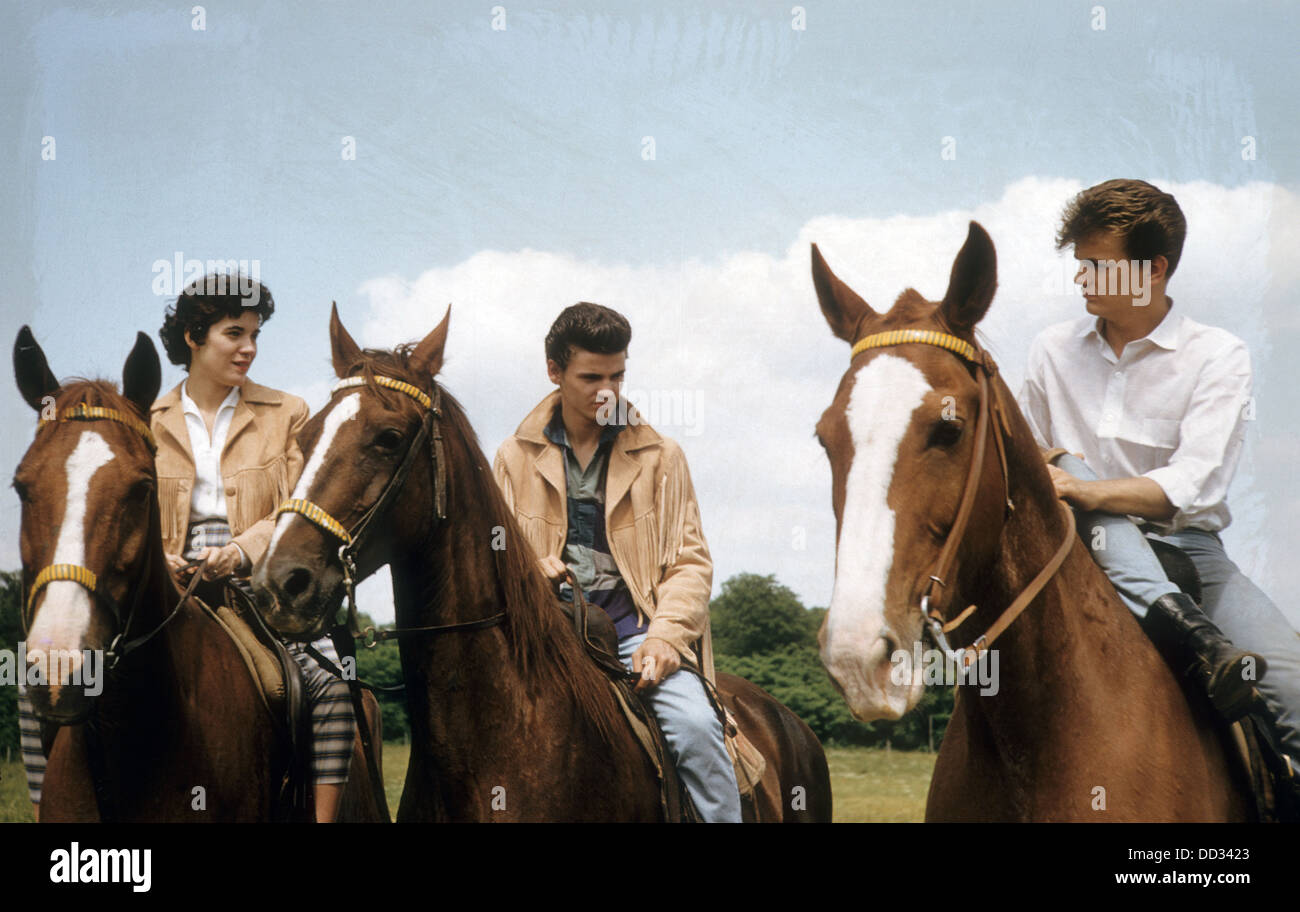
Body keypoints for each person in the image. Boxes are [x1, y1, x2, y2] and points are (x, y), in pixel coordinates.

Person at [19, 273, 355, 822]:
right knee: (36, 680)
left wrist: (240, 552)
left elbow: (296, 508)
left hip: (253, 586)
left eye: (255, 334)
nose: (249, 347)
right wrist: (163, 557)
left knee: (329, 684)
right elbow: (123, 509)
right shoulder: (139, 417)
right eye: (234, 333)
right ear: (194, 339)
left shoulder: (287, 412)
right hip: (162, 584)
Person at [1019, 178, 1300, 787]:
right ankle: (1198, 640)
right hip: (1075, 550)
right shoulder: (1049, 351)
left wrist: (1084, 489)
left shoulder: (1219, 355)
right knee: (1069, 466)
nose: (1081, 280)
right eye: (1079, 265)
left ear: (1154, 268)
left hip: (1188, 550)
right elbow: (1032, 462)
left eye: (1096, 266)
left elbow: (1190, 485)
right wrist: (1073, 483)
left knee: (1292, 686)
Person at [492, 302, 742, 822]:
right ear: (554, 371)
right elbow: (490, 556)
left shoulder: (661, 456)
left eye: (617, 375)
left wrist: (666, 638)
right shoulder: (511, 457)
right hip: (540, 636)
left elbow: (690, 565)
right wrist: (526, 568)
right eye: (590, 376)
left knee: (697, 730)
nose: (606, 390)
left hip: (636, 637)